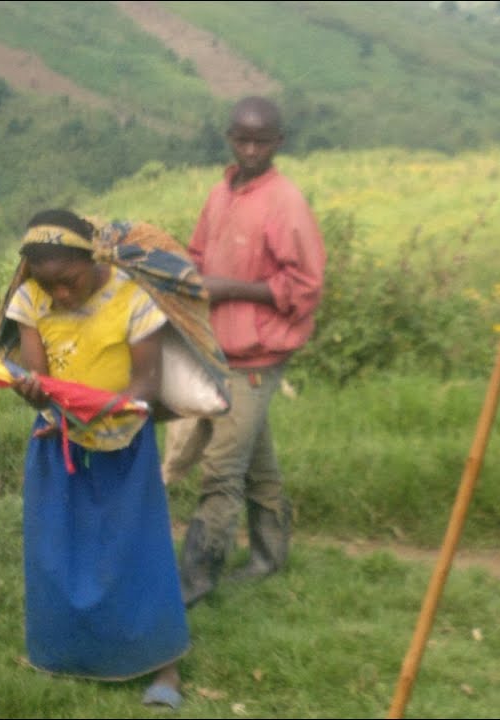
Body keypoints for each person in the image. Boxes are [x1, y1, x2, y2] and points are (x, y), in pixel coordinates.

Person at [2, 209, 189, 711]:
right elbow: (40, 384)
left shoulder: (132, 297)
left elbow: (147, 382)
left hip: (124, 442)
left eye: (69, 281)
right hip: (57, 440)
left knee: (136, 549)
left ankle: (162, 664)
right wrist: (32, 393)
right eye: (48, 285)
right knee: (58, 554)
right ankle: (70, 654)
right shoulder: (30, 299)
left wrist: (99, 408)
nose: (60, 295)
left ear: (94, 257)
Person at [176, 95, 326, 607]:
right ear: (229, 137)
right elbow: (197, 257)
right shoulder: (222, 192)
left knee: (221, 471)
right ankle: (269, 556)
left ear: (278, 142)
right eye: (242, 139)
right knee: (256, 459)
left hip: (257, 356)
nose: (251, 149)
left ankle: (193, 583)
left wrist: (231, 288)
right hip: (219, 349)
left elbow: (304, 287)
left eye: (262, 141)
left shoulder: (284, 202)